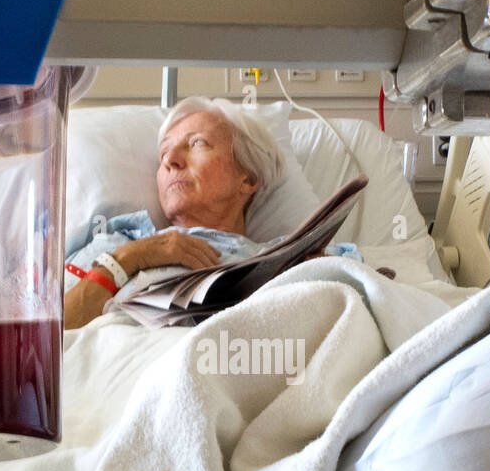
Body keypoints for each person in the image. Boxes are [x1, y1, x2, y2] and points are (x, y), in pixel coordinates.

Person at [65, 97, 338, 329]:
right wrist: (132, 258)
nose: (172, 161)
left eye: (197, 144)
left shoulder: (288, 256)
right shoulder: (120, 244)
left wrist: (321, 274)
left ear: (248, 178)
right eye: (163, 156)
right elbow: (53, 329)